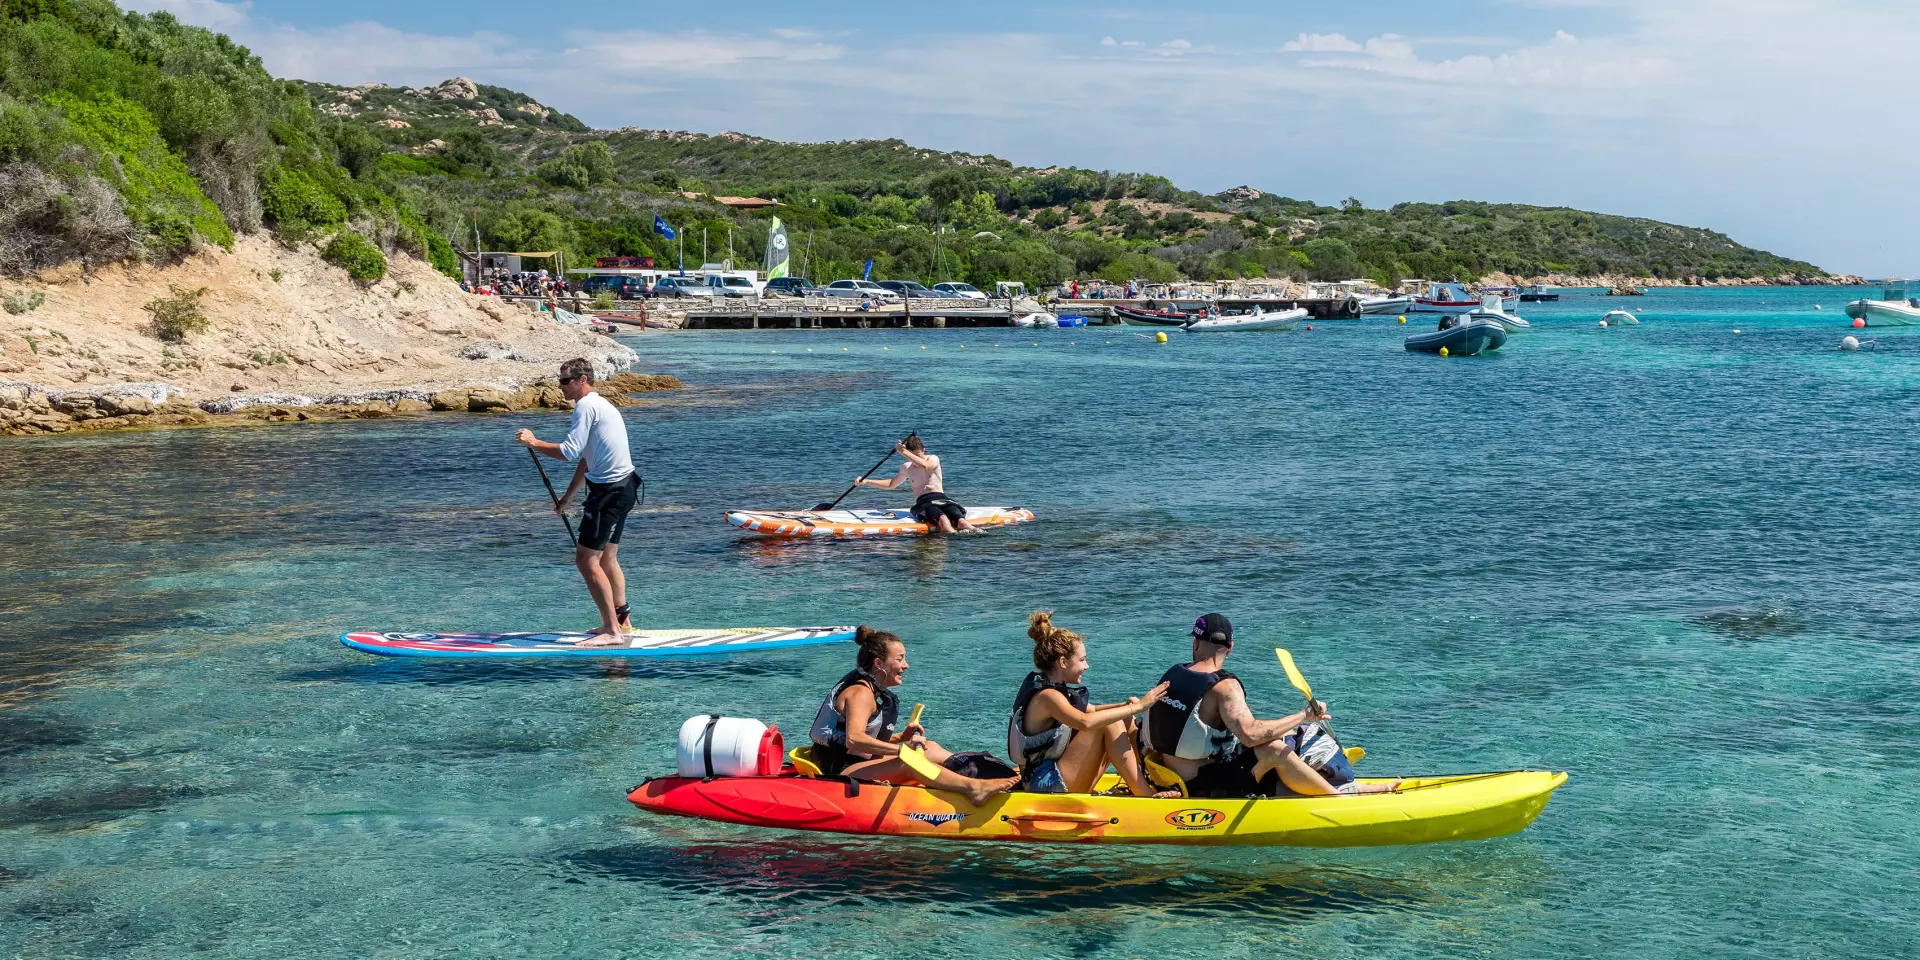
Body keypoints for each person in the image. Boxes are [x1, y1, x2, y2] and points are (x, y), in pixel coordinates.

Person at [1141, 613, 1400, 798]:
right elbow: (1250, 735)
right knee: (1275, 749)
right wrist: (1304, 715)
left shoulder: (1174, 673)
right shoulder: (1225, 686)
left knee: (1283, 735)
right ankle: (1337, 800)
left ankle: (1352, 788)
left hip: (1169, 774)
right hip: (1205, 786)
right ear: (1229, 648)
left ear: (1195, 643)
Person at [809, 626, 1019, 805]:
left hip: (855, 761)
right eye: (900, 659)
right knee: (909, 762)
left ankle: (995, 773)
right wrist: (901, 749)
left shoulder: (870, 690)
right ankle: (974, 788)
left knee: (930, 748)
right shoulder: (861, 693)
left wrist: (901, 738)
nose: (906, 665)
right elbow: (854, 739)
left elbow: (856, 739)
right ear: (878, 664)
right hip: (839, 772)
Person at [514, 358, 639, 646]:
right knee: (607, 558)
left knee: (585, 561)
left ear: (583, 380)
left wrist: (533, 442)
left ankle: (611, 631)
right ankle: (623, 623)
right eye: (560, 380)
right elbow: (586, 458)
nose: (560, 386)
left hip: (609, 492)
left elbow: (569, 452)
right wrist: (568, 498)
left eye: (565, 380)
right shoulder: (601, 405)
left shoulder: (586, 406)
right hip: (625, 488)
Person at [1007, 611, 1176, 797]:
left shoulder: (1057, 691)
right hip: (1043, 783)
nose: (1086, 666)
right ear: (1063, 662)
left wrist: (1126, 706)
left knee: (1122, 717)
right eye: (1082, 660)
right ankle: (1145, 794)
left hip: (1052, 775)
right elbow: (1085, 722)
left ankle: (1152, 780)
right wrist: (1138, 707)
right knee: (1110, 723)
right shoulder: (1047, 696)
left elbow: (1093, 710)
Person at [852, 434, 974, 534]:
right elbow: (891, 484)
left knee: (962, 522)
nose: (915, 460)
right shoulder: (906, 468)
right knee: (943, 520)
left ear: (924, 450)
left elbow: (925, 466)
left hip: (942, 498)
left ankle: (980, 537)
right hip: (924, 502)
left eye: (918, 456)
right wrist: (867, 481)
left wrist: (904, 452)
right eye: (912, 457)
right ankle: (953, 541)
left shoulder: (933, 459)